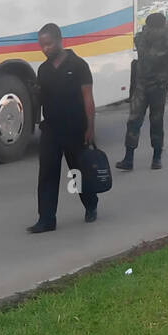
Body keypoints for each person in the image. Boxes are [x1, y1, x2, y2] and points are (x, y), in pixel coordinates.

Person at [27, 23, 98, 233]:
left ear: (59, 41)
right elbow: (41, 99)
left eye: (48, 44)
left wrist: (90, 128)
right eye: (42, 45)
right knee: (47, 173)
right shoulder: (43, 69)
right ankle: (46, 219)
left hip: (75, 128)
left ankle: (90, 203)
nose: (45, 49)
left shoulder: (78, 65)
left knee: (76, 172)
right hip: (51, 129)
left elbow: (88, 99)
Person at [116, 12, 168, 171]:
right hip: (158, 87)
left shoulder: (141, 38)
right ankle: (156, 158)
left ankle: (129, 158)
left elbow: (139, 37)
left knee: (134, 121)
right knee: (157, 122)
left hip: (141, 86)